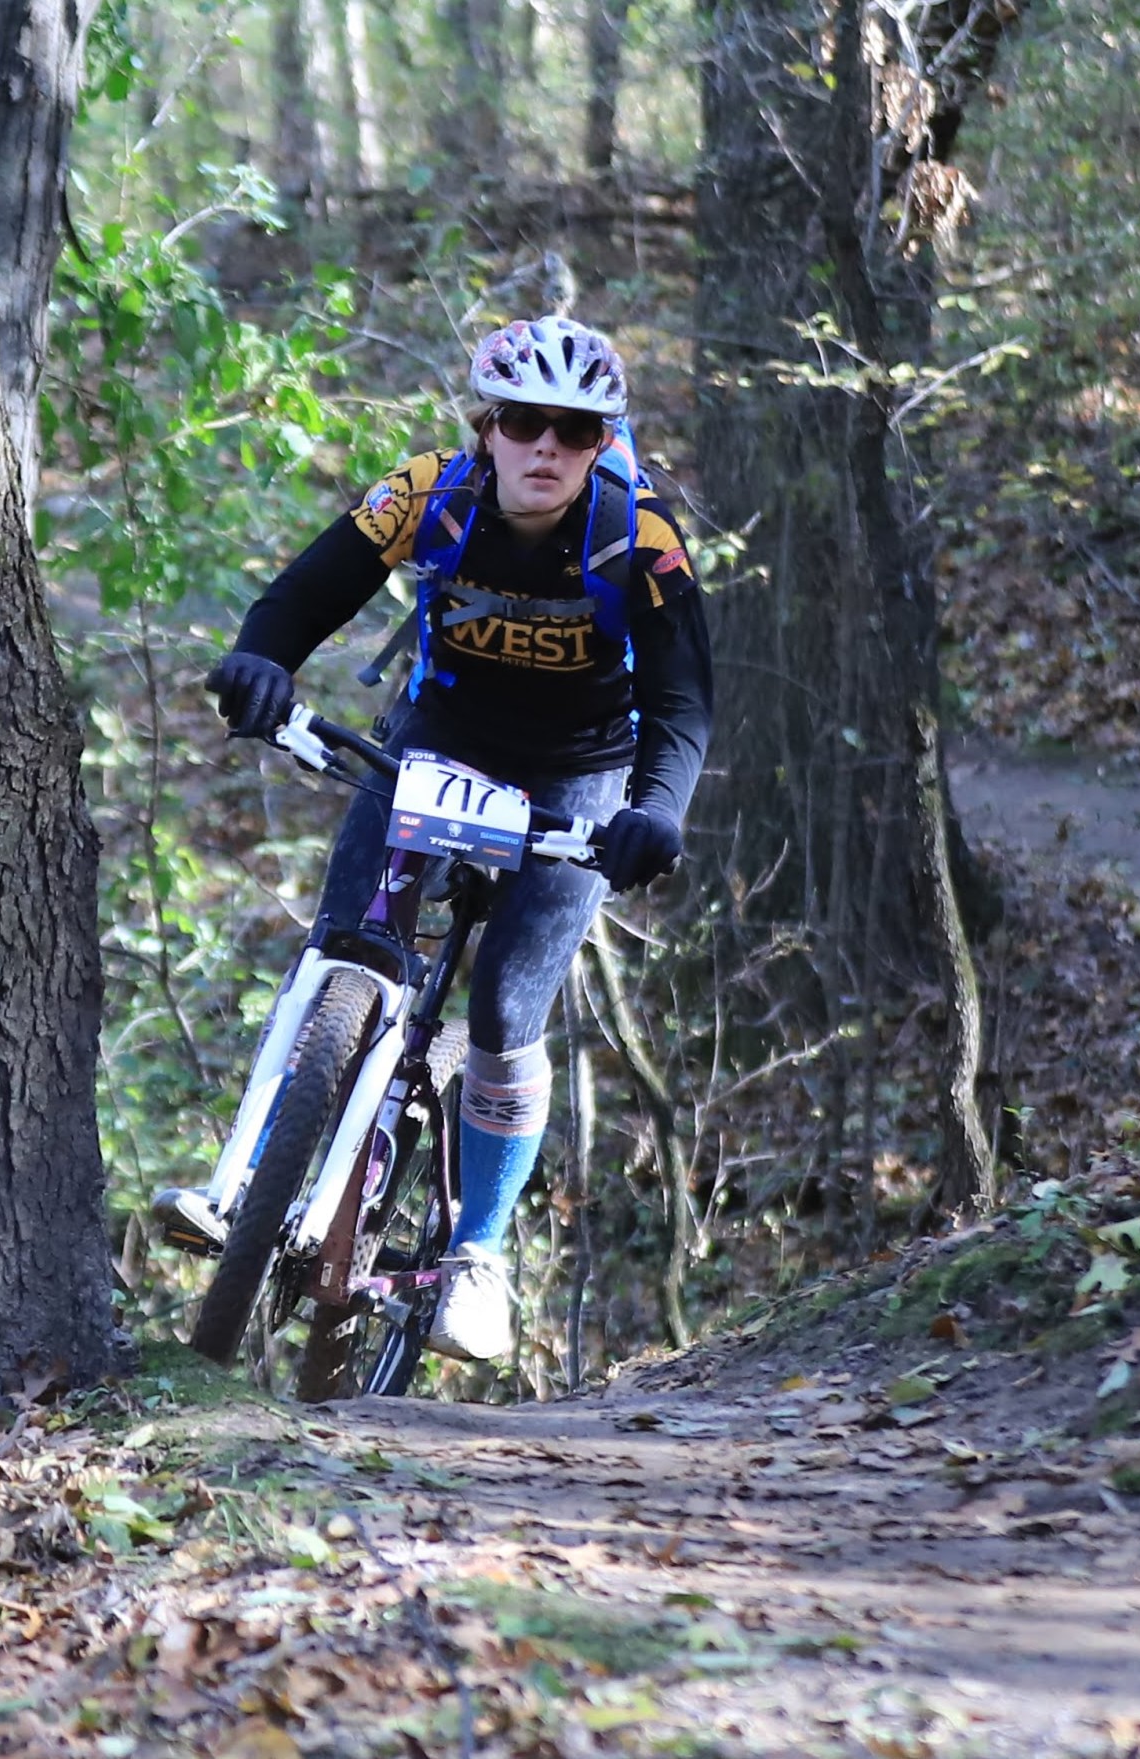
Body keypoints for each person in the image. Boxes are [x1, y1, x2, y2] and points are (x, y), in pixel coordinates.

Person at [160, 316, 712, 1363]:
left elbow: (683, 702)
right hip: (440, 738)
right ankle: (246, 1179)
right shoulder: (426, 494)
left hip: (581, 771)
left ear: (601, 444)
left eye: (574, 431)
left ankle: (478, 1256)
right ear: (485, 426)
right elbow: (307, 593)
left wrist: (658, 809)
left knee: (505, 1007)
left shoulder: (640, 537)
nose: (545, 446)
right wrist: (261, 660)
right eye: (524, 421)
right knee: (344, 943)